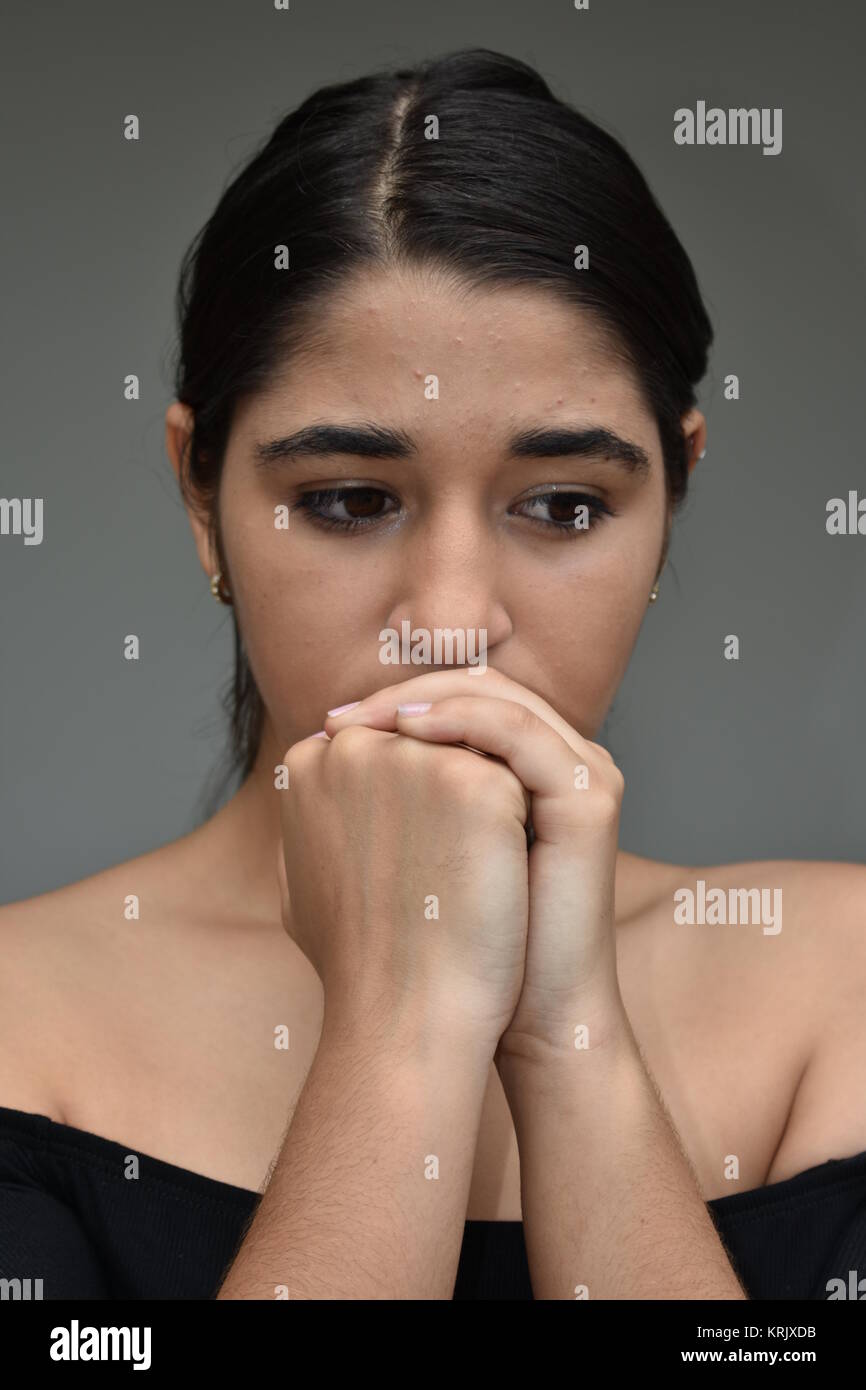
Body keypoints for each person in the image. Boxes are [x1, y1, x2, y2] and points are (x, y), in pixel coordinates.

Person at [1, 47, 864, 1302]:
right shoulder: (23, 1030)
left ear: (670, 496)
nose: (450, 625)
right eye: (349, 499)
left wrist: (569, 1046)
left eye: (563, 505)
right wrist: (397, 1033)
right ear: (203, 498)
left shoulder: (838, 984)